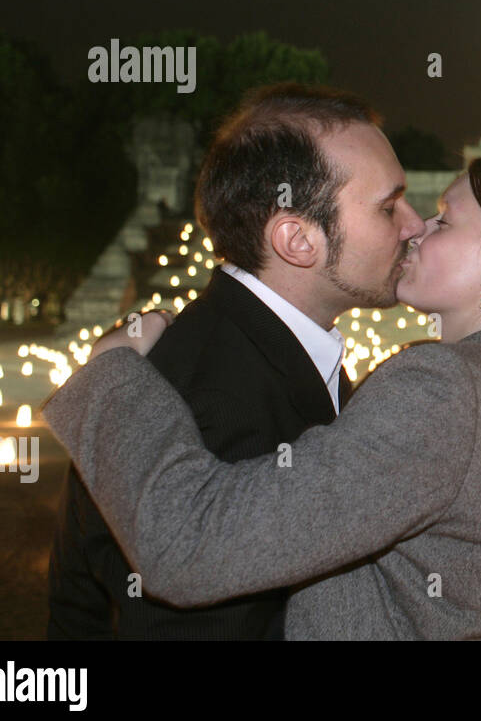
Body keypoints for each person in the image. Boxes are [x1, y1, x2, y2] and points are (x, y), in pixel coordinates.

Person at [43, 156, 481, 639]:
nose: (414, 229)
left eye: (444, 221)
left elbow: (191, 545)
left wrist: (114, 373)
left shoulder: (445, 388)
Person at [47, 83, 426, 639]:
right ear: (298, 241)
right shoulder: (214, 404)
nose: (414, 224)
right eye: (389, 206)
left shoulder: (249, 351)